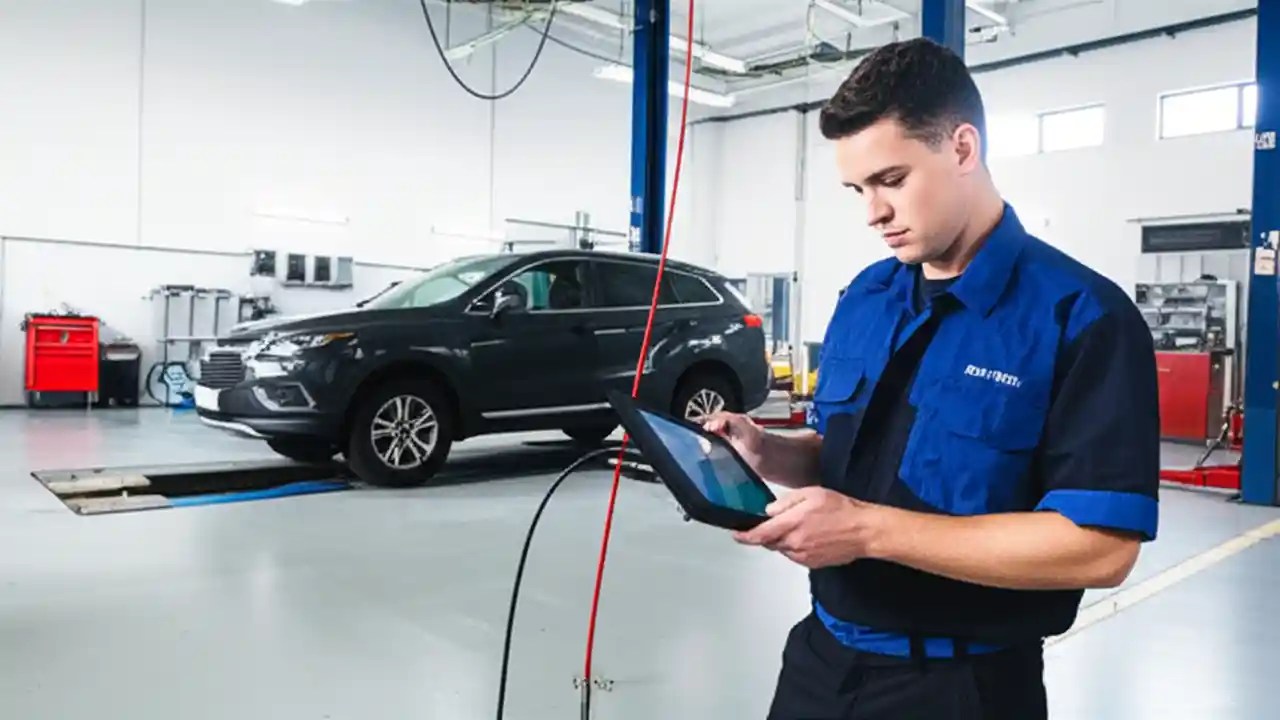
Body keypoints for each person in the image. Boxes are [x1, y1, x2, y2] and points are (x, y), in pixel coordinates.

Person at [704, 37, 1159, 720]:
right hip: (819, 663)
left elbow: (1099, 550)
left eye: (891, 180)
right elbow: (853, 451)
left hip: (963, 687)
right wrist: (771, 452)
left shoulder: (1082, 317)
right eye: (858, 190)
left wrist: (867, 531)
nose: (873, 212)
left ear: (963, 148)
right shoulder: (868, 296)